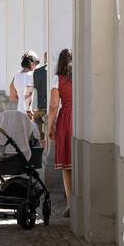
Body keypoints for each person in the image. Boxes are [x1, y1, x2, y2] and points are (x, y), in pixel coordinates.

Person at [47, 47, 73, 217]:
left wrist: (49, 126)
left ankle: (71, 203)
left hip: (66, 118)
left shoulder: (58, 79)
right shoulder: (81, 77)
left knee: (66, 166)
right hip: (81, 117)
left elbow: (54, 104)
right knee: (78, 162)